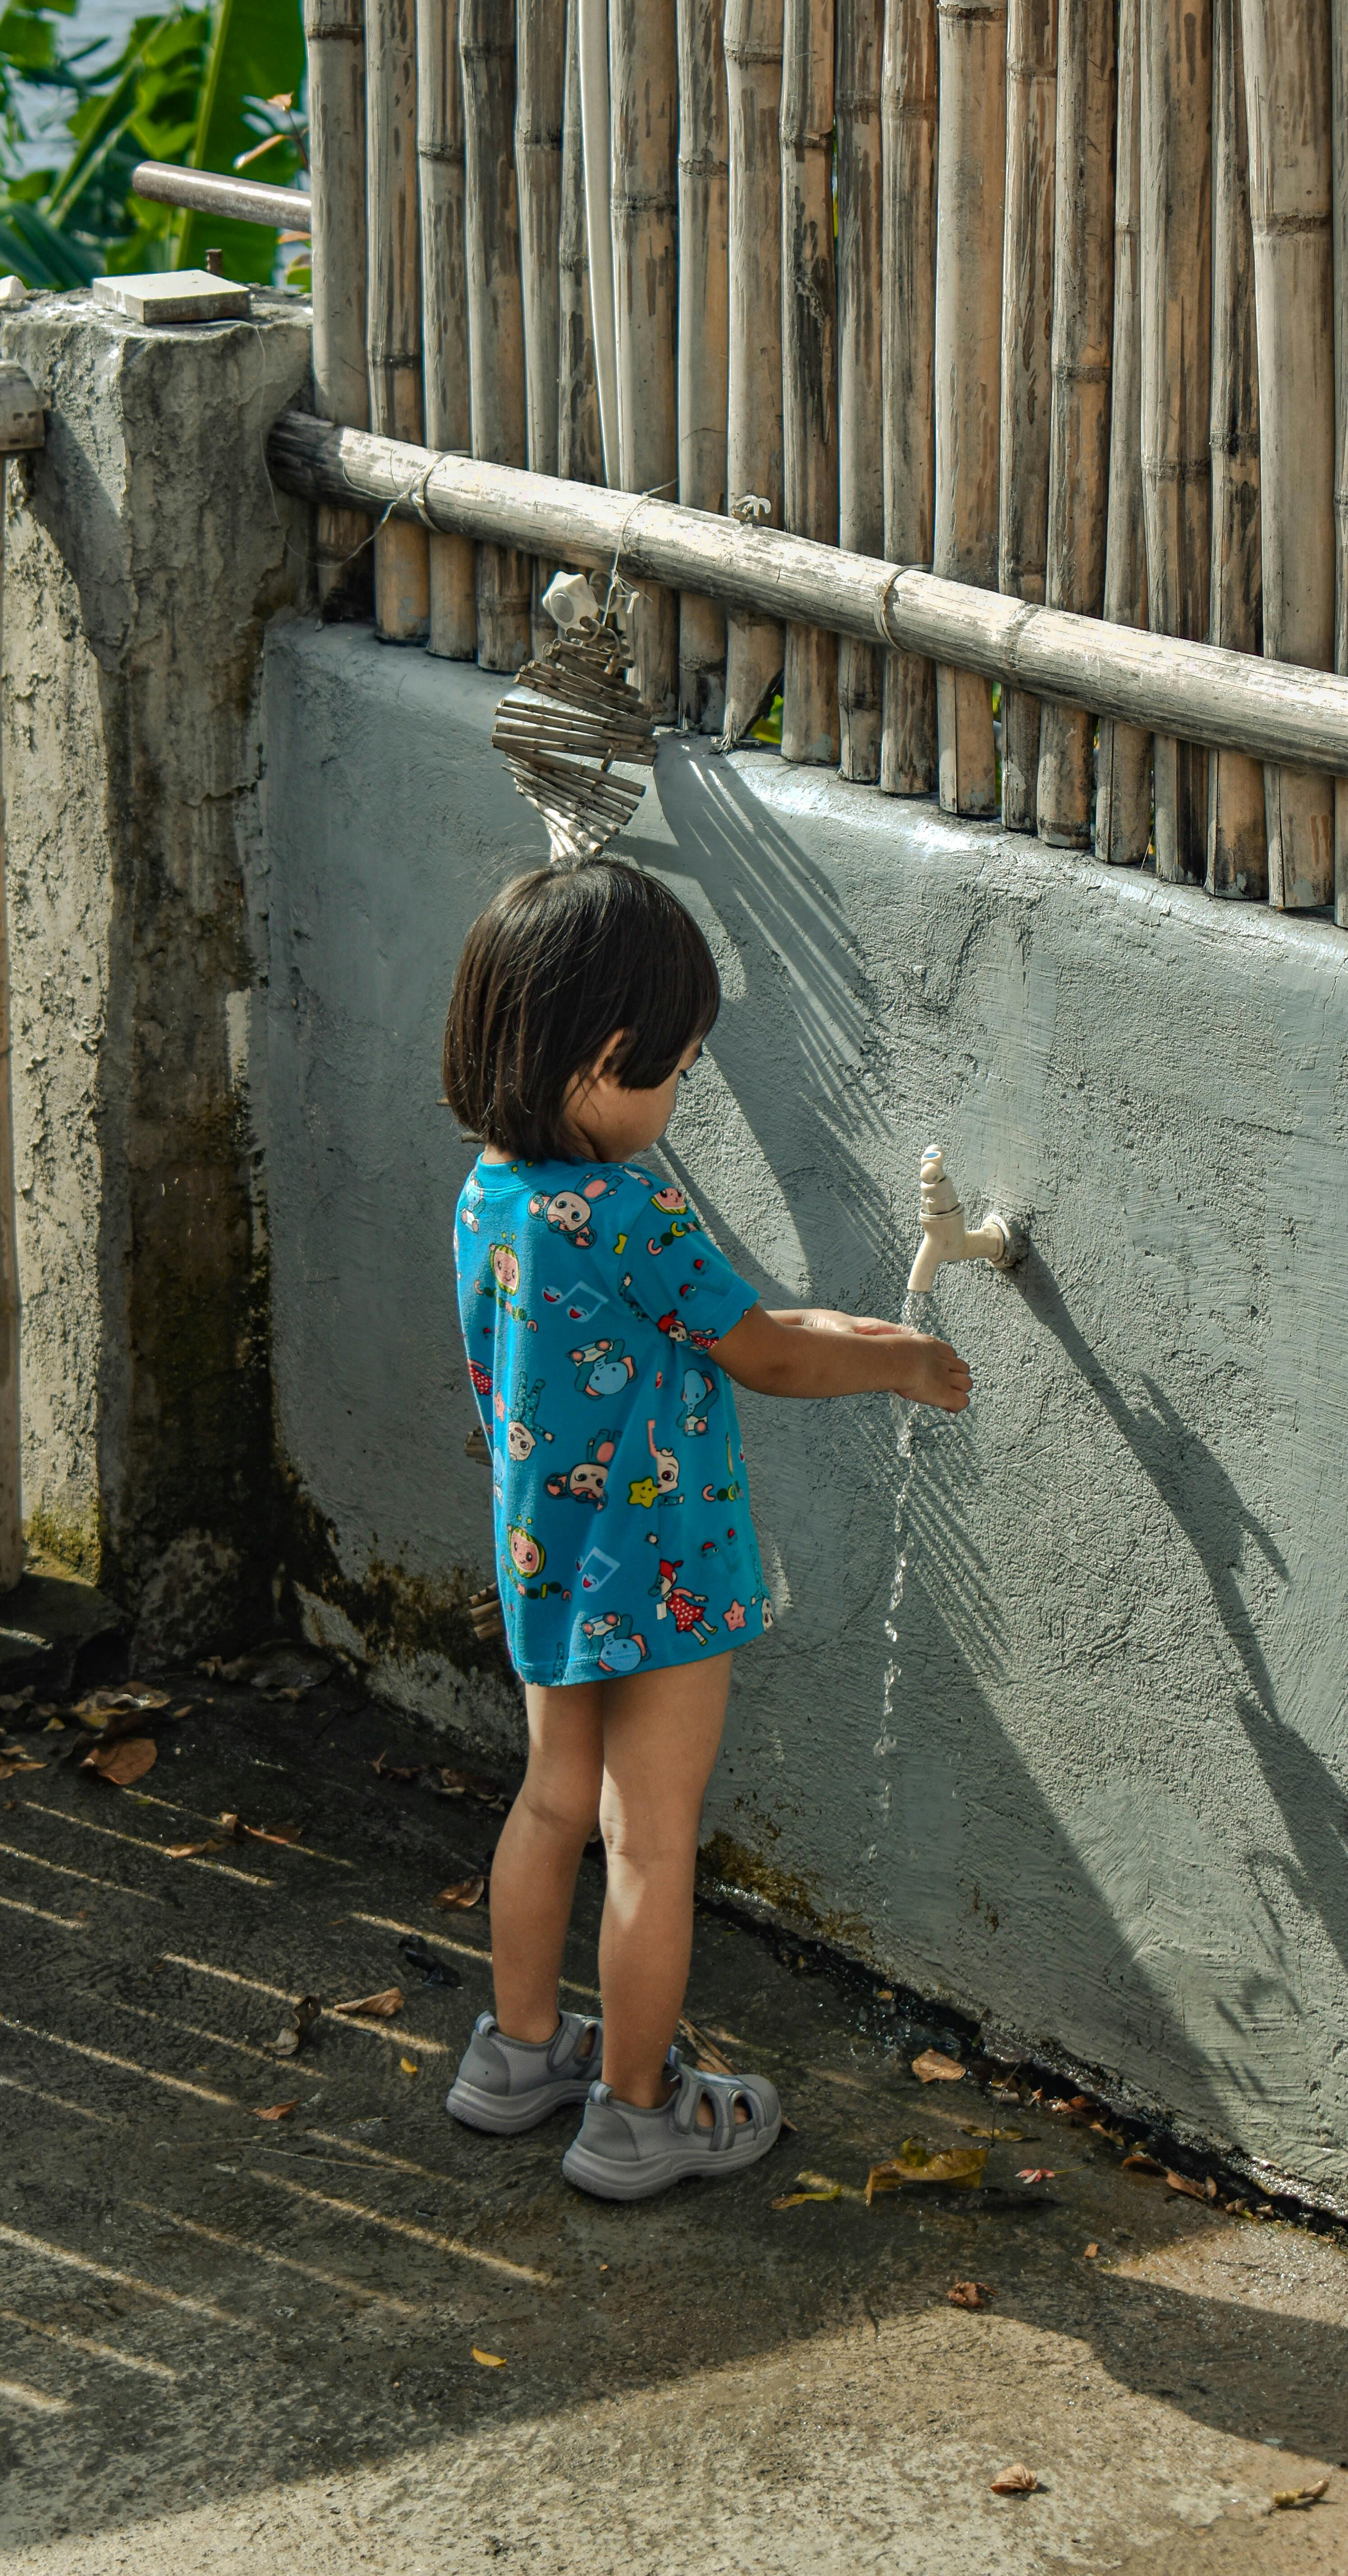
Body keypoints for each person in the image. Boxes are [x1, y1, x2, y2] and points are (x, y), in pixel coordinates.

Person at [440, 858, 972, 2200]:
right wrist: (906, 1363)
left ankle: (513, 2058)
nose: (674, 1098)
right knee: (653, 1839)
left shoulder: (493, 1193)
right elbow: (768, 1353)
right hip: (664, 1573)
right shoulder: (630, 1208)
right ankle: (635, 2114)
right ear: (608, 1059)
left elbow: (740, 1328)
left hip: (543, 1559)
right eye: (671, 1069)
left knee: (553, 1799)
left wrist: (853, 1331)